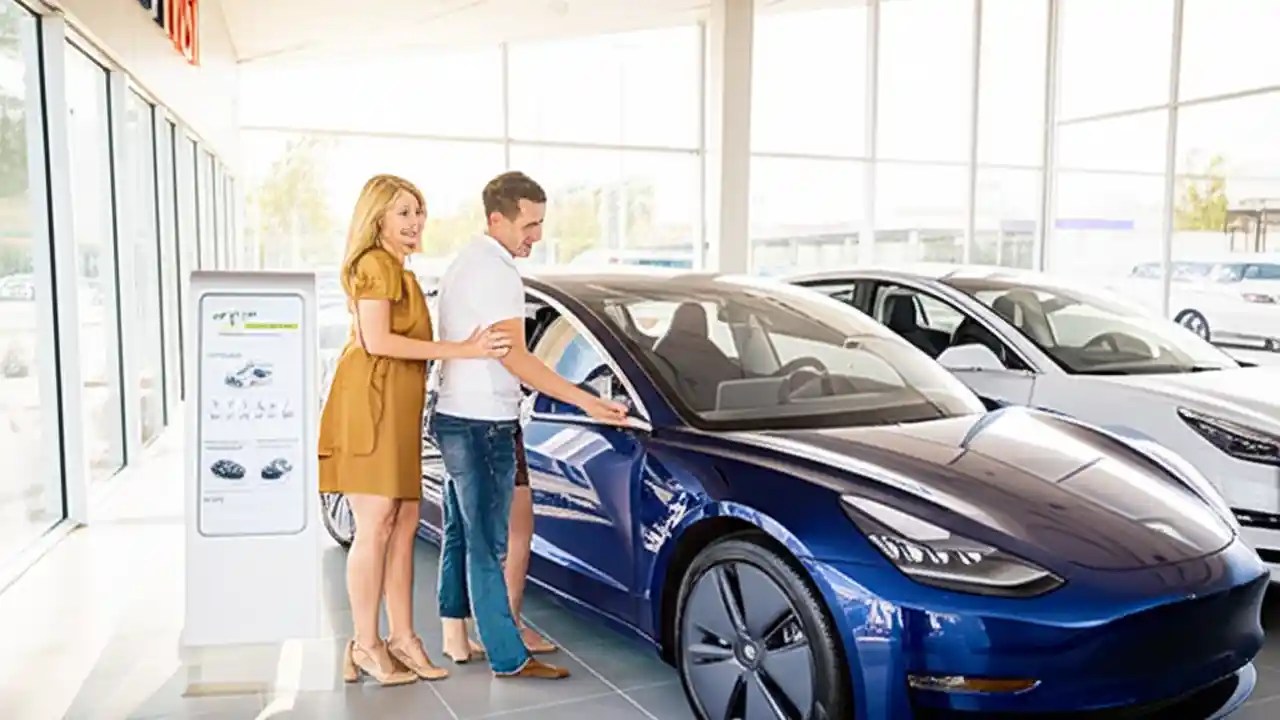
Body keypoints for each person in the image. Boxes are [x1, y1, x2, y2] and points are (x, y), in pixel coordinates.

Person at [432, 171, 628, 679]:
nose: (536, 237)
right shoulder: (496, 271)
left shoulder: (466, 262)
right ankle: (508, 656)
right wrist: (587, 401)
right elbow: (515, 357)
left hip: (459, 414)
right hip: (483, 422)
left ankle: (456, 636)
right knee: (488, 544)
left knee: (462, 531)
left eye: (540, 224)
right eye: (530, 225)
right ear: (497, 219)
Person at [318, 173, 513, 686]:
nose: (415, 222)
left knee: (404, 522)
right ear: (376, 217)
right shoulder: (373, 266)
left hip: (398, 406)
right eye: (403, 212)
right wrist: (462, 351)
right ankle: (365, 643)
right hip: (370, 403)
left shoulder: (399, 270)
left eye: (419, 211)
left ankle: (402, 638)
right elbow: (378, 340)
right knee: (376, 522)